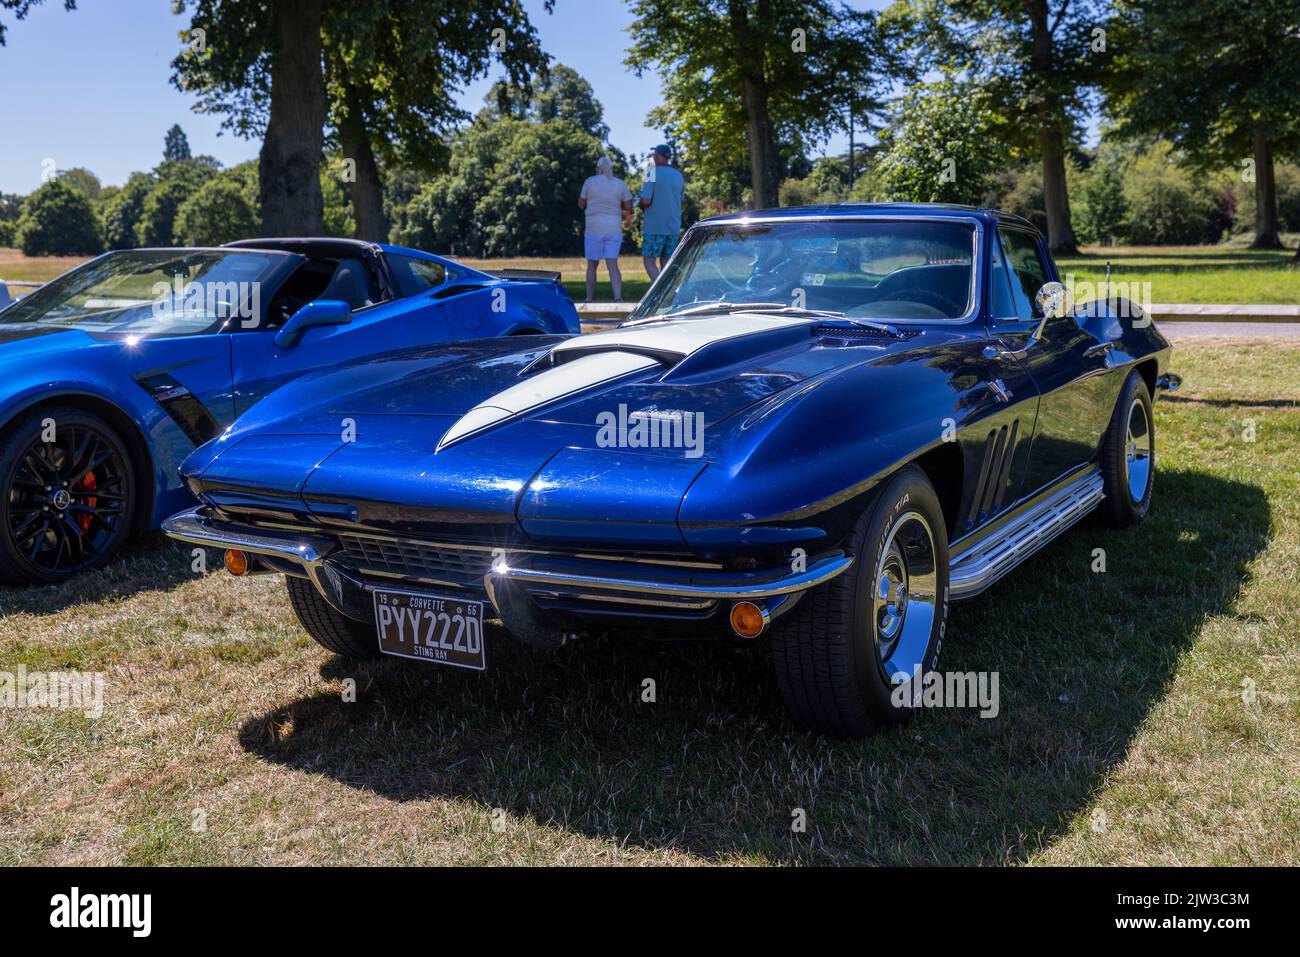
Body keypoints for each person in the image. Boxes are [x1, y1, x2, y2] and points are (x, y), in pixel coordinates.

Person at [578, 156, 632, 302]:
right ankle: (618, 297)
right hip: (613, 227)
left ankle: (589, 298)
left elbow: (581, 203)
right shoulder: (619, 184)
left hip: (593, 227)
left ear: (598, 168)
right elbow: (628, 207)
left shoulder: (589, 181)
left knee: (592, 265)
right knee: (612, 264)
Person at [637, 144, 685, 281]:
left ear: (657, 156)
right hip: (673, 227)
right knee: (666, 263)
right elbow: (679, 199)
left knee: (649, 261)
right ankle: (667, 293)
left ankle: (658, 293)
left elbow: (646, 201)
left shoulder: (651, 172)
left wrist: (638, 203)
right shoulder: (678, 175)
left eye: (654, 155)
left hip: (654, 227)